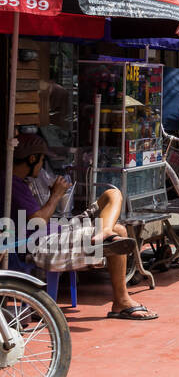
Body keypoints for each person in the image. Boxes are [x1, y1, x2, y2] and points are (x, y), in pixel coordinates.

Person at [8, 134, 151, 320]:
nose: (43, 166)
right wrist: (56, 196)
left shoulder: (22, 182)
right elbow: (38, 221)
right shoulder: (11, 182)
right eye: (42, 160)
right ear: (32, 159)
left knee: (112, 194)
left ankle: (104, 231)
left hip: (59, 228)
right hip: (42, 241)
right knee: (120, 230)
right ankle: (121, 301)